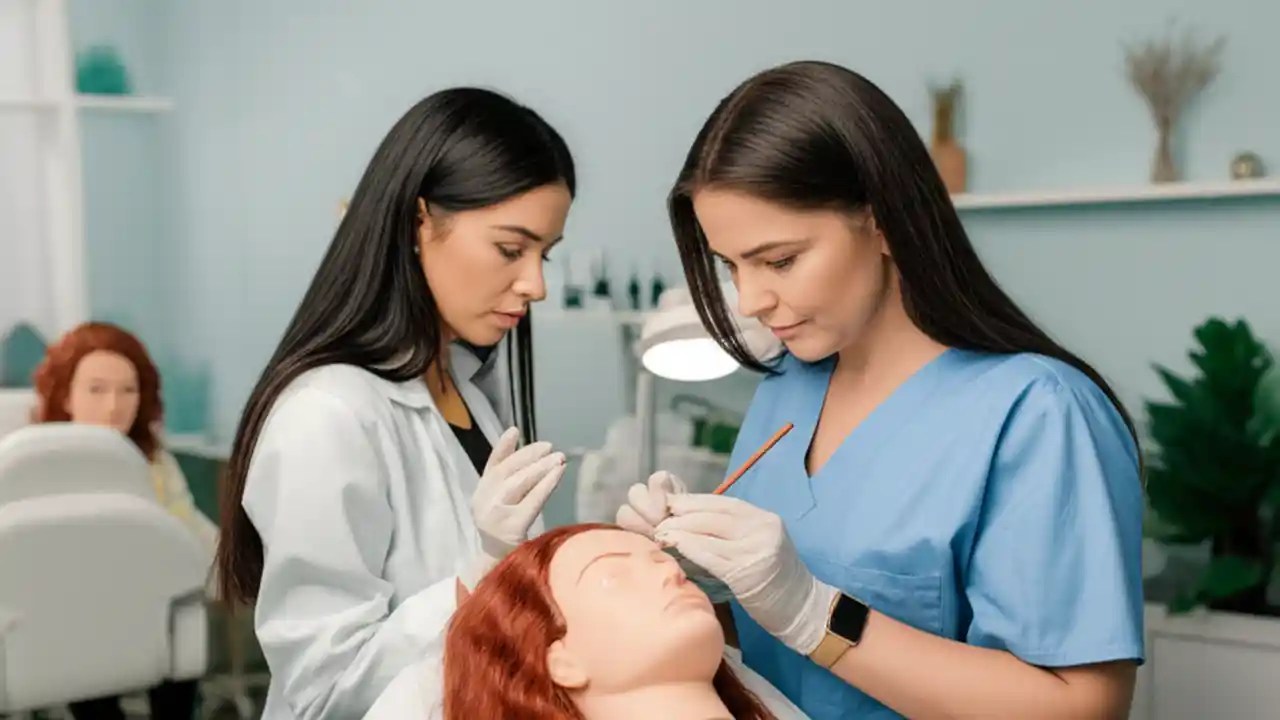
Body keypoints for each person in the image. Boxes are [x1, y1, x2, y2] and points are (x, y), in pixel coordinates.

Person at [618, 60, 1145, 719]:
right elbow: (769, 651)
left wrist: (818, 616)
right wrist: (686, 580)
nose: (751, 300)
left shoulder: (1037, 414)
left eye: (779, 260)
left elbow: (1082, 707)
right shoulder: (786, 386)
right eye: (731, 265)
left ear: (882, 220)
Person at [214, 86, 575, 720]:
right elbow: (325, 690)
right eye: (511, 249)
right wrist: (478, 573)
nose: (536, 284)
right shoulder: (325, 416)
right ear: (418, 224)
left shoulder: (466, 385)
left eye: (546, 254)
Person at [32, 321, 214, 720]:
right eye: (96, 389)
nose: (114, 405)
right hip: (68, 615)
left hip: (151, 607)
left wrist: (237, 561)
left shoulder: (156, 464)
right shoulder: (34, 464)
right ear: (65, 393)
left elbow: (188, 531)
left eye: (127, 390)